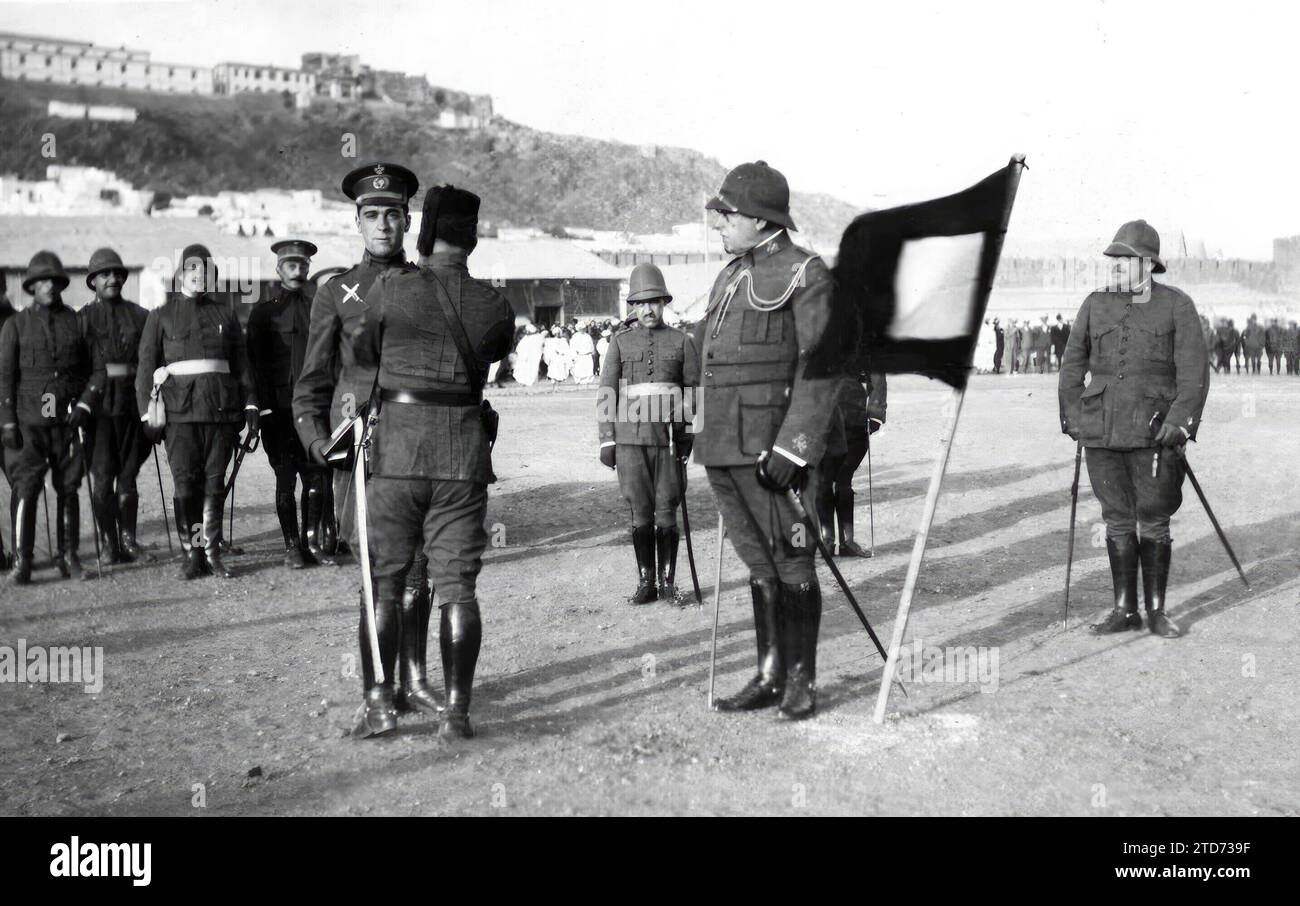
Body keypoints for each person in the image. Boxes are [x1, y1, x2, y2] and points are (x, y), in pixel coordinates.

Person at [347, 184, 514, 740]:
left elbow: (363, 354)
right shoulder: (495, 305)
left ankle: (379, 706)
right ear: (472, 237)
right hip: (462, 460)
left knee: (385, 583)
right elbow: (492, 352)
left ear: (425, 232)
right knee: (457, 588)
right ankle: (457, 713)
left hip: (396, 454)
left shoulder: (389, 289)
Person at [695, 161, 843, 721]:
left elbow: (822, 367)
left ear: (759, 220)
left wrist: (792, 448)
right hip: (723, 448)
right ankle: (769, 674)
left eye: (726, 215)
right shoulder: (730, 275)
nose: (719, 225)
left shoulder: (807, 274)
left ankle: (800, 683)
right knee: (759, 563)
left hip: (770, 456)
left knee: (793, 560)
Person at [292, 161, 432, 711]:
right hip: (359, 452)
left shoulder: (429, 287)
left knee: (420, 563)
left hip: (419, 446)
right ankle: (378, 690)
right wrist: (315, 441)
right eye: (371, 215)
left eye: (392, 215)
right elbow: (310, 384)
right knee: (376, 569)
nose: (383, 225)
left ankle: (415, 682)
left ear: (407, 221)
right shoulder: (336, 293)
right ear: (357, 221)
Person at [1058, 220, 1209, 639]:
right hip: (1102, 430)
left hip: (1154, 432)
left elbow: (1194, 372)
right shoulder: (1094, 304)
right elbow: (1072, 365)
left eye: (1125, 259)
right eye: (1114, 258)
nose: (1116, 265)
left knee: (1154, 520)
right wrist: (1074, 417)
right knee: (1116, 520)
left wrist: (1180, 421)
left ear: (1148, 263)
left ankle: (1157, 612)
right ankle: (1125, 609)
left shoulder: (1177, 305)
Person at [136, 244, 258, 580]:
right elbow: (146, 367)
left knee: (214, 486)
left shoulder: (226, 315)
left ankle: (212, 552)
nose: (199, 276)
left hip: (221, 413)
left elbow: (241, 363)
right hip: (180, 414)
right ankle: (193, 553)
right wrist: (147, 414)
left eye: (206, 271)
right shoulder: (160, 315)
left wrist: (250, 404)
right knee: (187, 487)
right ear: (179, 275)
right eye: (192, 270)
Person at [597, 263, 699, 604]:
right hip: (629, 442)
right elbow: (606, 391)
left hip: (667, 441)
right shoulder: (620, 342)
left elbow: (693, 393)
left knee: (667, 510)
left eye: (654, 301)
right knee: (640, 510)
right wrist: (607, 439)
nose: (648, 309)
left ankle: (669, 584)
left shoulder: (682, 341)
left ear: (664, 302)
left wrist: (688, 437)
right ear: (632, 307)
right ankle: (646, 583)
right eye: (640, 303)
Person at [1, 252, 92, 584]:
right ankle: (22, 563)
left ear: (62, 285)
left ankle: (69, 556)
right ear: (31, 286)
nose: (49, 286)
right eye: (41, 281)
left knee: (69, 488)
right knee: (26, 488)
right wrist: (8, 422)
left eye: (54, 280)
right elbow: (5, 378)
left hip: (66, 423)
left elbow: (93, 371)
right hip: (30, 424)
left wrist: (84, 405)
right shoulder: (15, 325)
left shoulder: (76, 321)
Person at [247, 239, 333, 569]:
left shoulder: (321, 309)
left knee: (316, 476)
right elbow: (252, 364)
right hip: (277, 411)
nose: (297, 271)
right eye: (291, 265)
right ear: (279, 269)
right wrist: (257, 406)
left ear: (309, 269)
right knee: (285, 479)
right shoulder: (263, 312)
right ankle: (292, 547)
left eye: (302, 266)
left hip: (313, 410)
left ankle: (314, 545)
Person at [77, 248, 152, 564]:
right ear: (93, 281)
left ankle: (129, 541)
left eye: (117, 274)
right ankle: (108, 544)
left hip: (133, 406)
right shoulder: (80, 319)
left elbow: (151, 361)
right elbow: (73, 367)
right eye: (104, 274)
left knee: (129, 476)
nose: (112, 279)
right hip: (99, 410)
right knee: (103, 476)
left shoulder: (140, 315)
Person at [814, 364, 885, 557]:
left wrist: (876, 413)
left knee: (842, 481)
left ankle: (847, 542)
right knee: (823, 482)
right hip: (820, 418)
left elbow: (877, 375)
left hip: (853, 418)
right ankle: (827, 541)